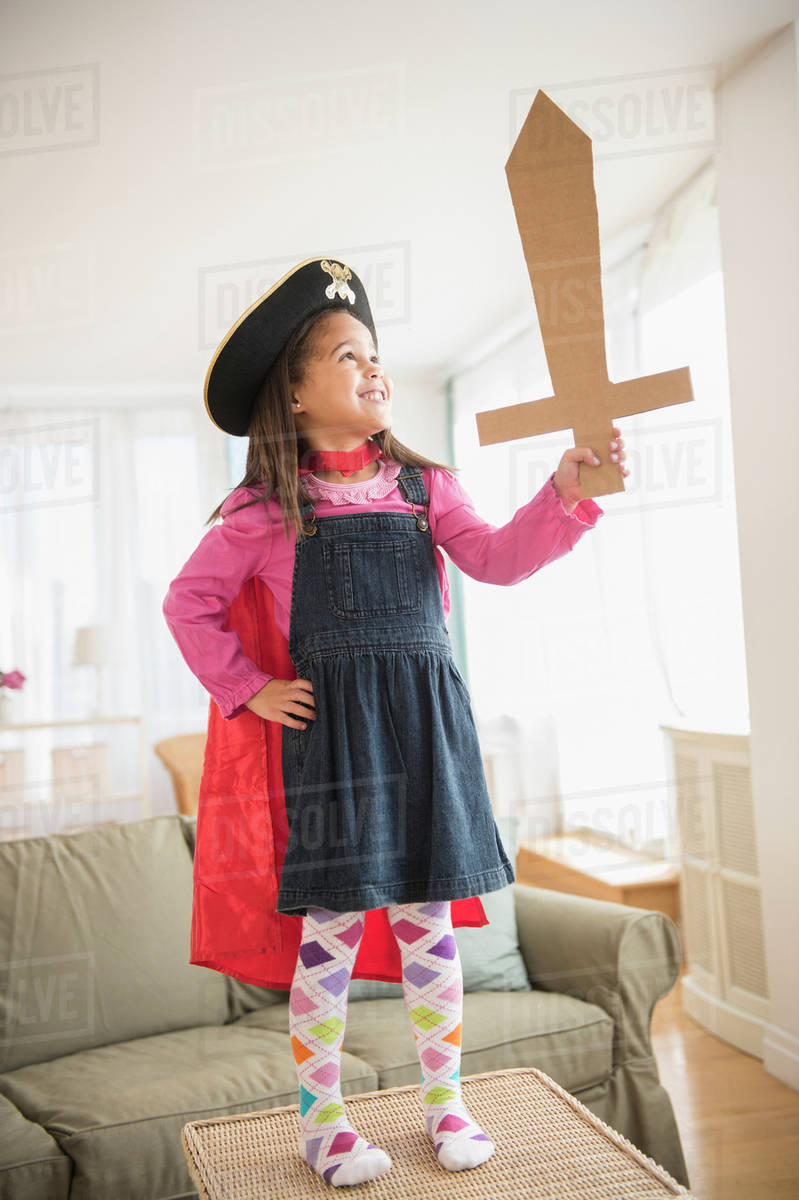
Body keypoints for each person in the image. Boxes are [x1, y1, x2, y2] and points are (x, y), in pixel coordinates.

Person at [163, 256, 627, 1187]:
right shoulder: (263, 510)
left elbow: (496, 559)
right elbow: (188, 606)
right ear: (291, 397)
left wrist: (566, 493)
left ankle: (446, 1103)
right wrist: (249, 687)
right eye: (344, 355)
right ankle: (324, 1124)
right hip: (332, 749)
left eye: (375, 354)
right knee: (329, 932)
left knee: (430, 924)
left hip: (427, 734)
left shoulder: (428, 490)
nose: (372, 369)